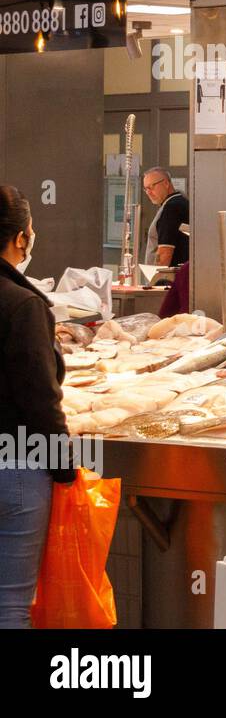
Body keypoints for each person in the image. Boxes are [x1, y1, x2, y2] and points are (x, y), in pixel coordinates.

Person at [0, 186, 75, 629]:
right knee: (9, 605)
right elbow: (40, 400)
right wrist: (65, 467)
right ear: (21, 239)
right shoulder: (22, 304)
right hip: (13, 468)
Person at [142, 167, 189, 266]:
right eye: (146, 189)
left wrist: (157, 280)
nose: (148, 193)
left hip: (169, 277)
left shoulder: (171, 208)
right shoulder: (183, 202)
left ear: (166, 183)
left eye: (151, 187)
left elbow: (165, 252)